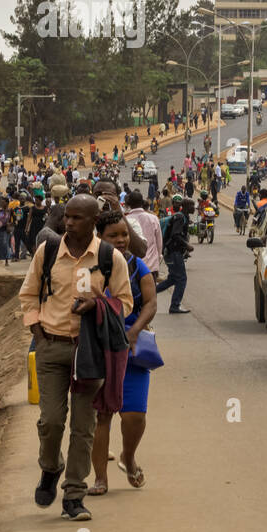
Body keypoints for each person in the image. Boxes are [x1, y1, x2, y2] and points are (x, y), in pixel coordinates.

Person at [18, 195, 133, 521]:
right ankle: (51, 468)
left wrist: (97, 307)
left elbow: (125, 303)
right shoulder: (48, 251)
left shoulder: (110, 257)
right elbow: (27, 294)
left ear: (93, 221)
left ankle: (74, 495)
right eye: (67, 217)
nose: (68, 223)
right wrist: (37, 331)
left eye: (77, 218)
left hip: (90, 351)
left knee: (83, 427)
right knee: (51, 421)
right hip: (51, 347)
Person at [88, 209, 157, 496]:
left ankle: (128, 458)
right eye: (113, 235)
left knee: (134, 416)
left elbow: (151, 303)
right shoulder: (91, 267)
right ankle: (100, 478)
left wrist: (134, 330)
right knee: (103, 415)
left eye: (124, 234)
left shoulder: (138, 266)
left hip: (133, 348)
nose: (120, 240)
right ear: (99, 238)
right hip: (100, 349)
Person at [155, 198, 193, 314]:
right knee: (181, 278)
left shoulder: (183, 217)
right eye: (191, 205)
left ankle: (147, 293)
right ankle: (175, 305)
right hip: (174, 252)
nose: (193, 208)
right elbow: (175, 235)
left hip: (172, 252)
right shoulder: (180, 218)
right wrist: (187, 245)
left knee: (172, 279)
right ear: (186, 206)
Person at [125, 191, 163, 285]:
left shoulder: (125, 220)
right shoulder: (153, 218)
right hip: (151, 266)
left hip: (131, 267)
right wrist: (157, 261)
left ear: (128, 204)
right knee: (150, 296)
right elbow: (159, 244)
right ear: (142, 203)